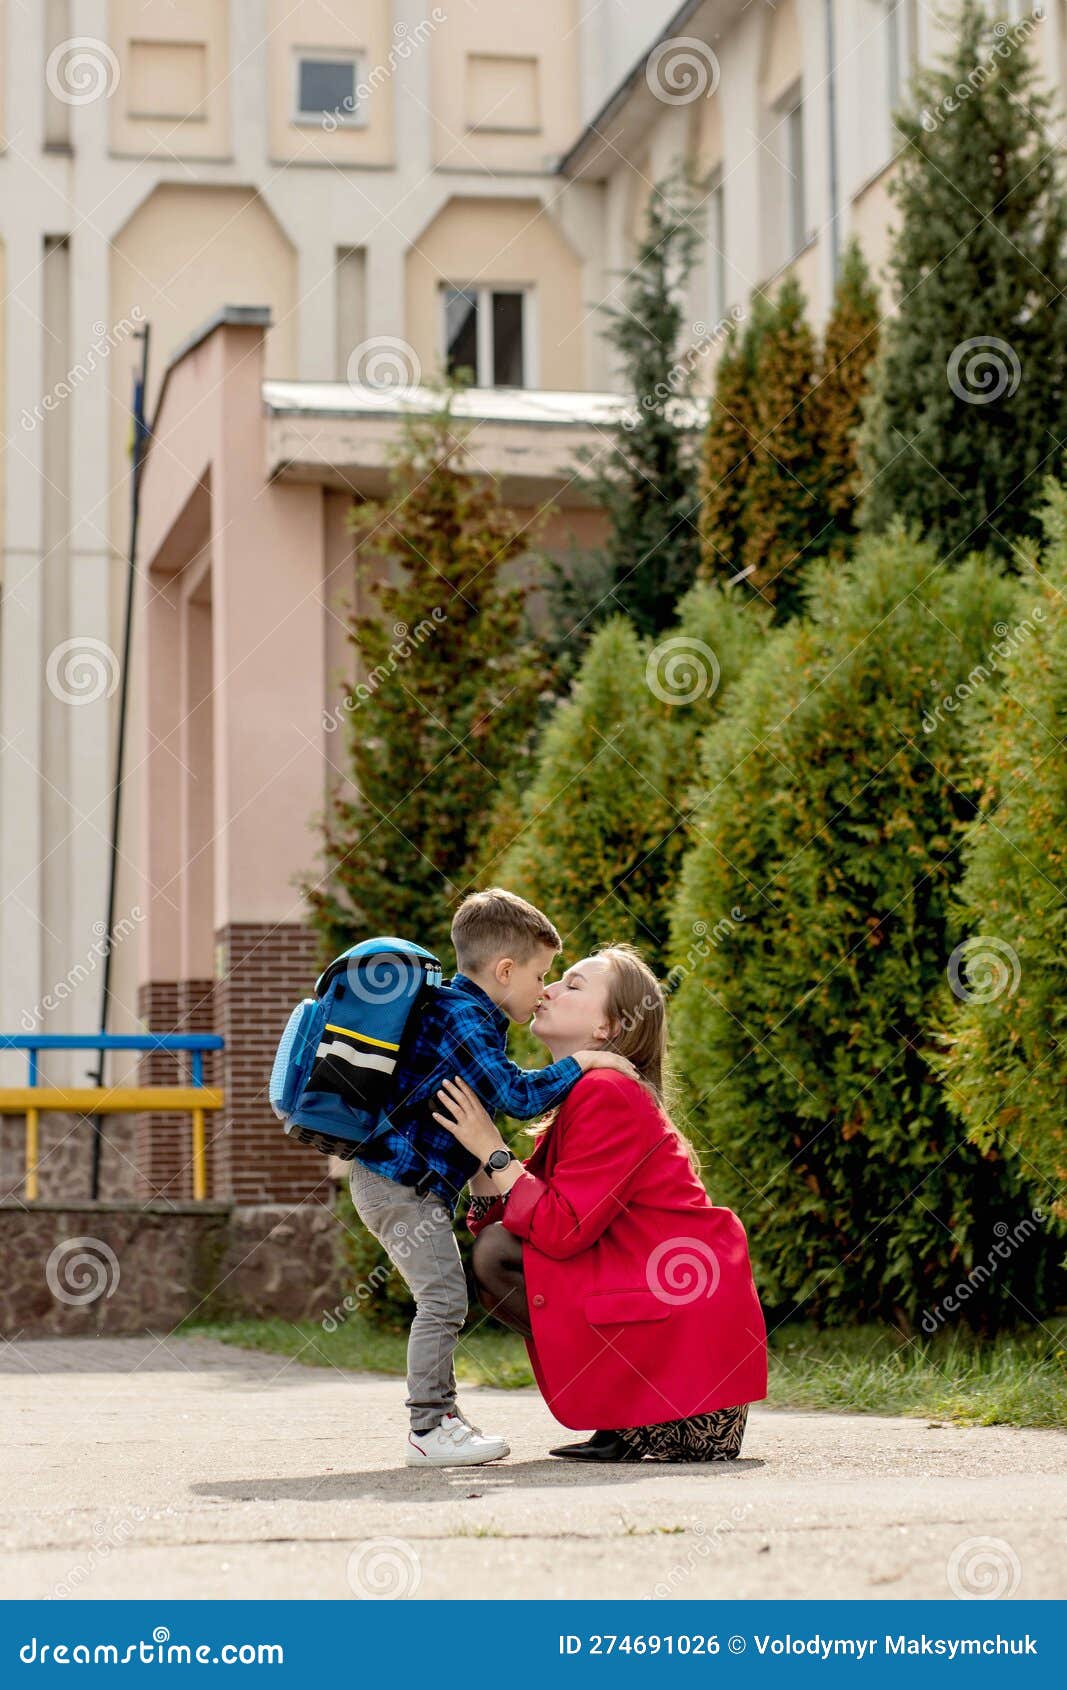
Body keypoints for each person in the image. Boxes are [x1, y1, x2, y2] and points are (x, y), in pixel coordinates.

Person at [432, 943, 768, 1462]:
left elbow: (561, 1230)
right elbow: (528, 1221)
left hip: (690, 1395)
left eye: (572, 984)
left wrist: (493, 1152)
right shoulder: (581, 1094)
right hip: (675, 1345)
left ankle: (630, 1417)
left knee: (497, 1256)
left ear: (608, 1028)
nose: (547, 989)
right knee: (498, 1251)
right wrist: (481, 1163)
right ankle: (621, 1415)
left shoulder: (607, 1092)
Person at [348, 890, 636, 1468]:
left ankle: (438, 1423)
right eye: (541, 975)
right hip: (398, 1184)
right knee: (442, 1298)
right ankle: (430, 1427)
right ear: (506, 971)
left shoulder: (456, 1013)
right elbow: (514, 1095)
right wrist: (583, 1062)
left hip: (398, 1182)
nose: (544, 990)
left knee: (442, 1296)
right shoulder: (464, 1018)